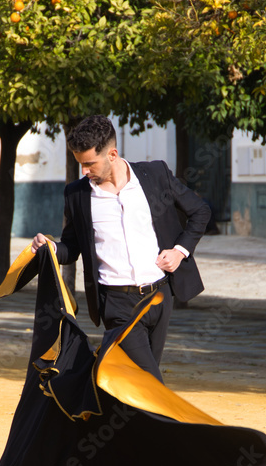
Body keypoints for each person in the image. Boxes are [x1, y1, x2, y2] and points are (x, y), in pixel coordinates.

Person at [30, 115, 211, 381]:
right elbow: (72, 247)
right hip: (117, 305)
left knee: (135, 387)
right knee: (149, 382)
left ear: (112, 154)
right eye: (80, 164)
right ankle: (167, 422)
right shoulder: (77, 195)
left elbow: (200, 212)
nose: (84, 171)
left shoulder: (155, 175)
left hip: (159, 298)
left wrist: (179, 251)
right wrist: (52, 249)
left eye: (89, 163)